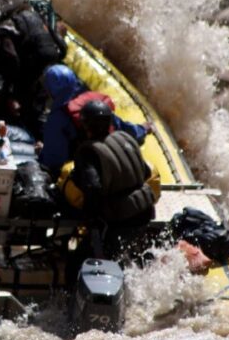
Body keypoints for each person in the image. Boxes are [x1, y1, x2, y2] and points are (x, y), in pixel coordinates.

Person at [58, 99, 158, 260]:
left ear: (86, 125)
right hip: (145, 212)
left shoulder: (87, 152)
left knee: (79, 260)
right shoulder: (126, 138)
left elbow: (93, 188)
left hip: (119, 219)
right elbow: (145, 172)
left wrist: (90, 219)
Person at [38, 64, 151, 176]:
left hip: (87, 166)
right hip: (110, 156)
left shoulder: (56, 121)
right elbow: (123, 128)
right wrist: (143, 129)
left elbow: (53, 162)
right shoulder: (93, 104)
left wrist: (43, 152)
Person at [0, 0, 67, 131]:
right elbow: (61, 46)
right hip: (51, 71)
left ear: (5, 2)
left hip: (32, 81)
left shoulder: (6, 27)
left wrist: (10, 95)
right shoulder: (37, 16)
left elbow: (12, 62)